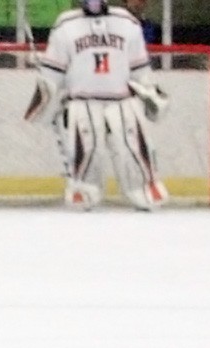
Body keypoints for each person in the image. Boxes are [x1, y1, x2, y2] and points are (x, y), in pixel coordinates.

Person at [26, 0, 168, 210]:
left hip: (122, 101)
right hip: (82, 102)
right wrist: (40, 104)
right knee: (87, 152)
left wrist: (151, 91)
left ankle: (145, 187)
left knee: (133, 149)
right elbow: (52, 73)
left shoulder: (126, 22)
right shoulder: (66, 24)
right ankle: (84, 189)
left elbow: (139, 69)